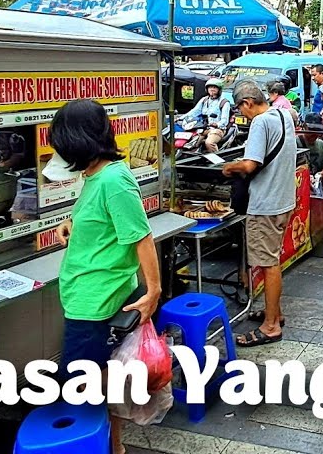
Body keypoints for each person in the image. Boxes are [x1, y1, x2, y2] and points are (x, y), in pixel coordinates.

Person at [51, 99, 160, 454]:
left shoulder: (113, 179)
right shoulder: (96, 174)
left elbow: (140, 236)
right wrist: (73, 222)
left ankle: (95, 446)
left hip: (95, 301)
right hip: (86, 294)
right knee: (97, 378)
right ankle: (114, 447)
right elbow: (104, 221)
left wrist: (154, 291)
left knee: (81, 387)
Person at [222, 81, 296, 347]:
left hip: (266, 204)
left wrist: (229, 167)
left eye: (241, 110)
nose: (243, 115)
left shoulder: (260, 123)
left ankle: (271, 326)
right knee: (272, 259)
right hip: (284, 199)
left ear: (248, 103)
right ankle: (274, 312)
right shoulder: (283, 114)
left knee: (267, 263)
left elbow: (250, 165)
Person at [180, 77, 232, 152]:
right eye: (210, 87)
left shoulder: (224, 102)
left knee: (209, 143)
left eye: (214, 87)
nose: (212, 89)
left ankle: (217, 161)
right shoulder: (204, 100)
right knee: (191, 141)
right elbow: (195, 111)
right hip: (203, 127)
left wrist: (216, 124)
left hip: (218, 129)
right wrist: (181, 118)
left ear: (219, 90)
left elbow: (224, 120)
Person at [300, 112, 323, 195]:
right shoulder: (295, 143)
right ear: (304, 126)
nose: (314, 135)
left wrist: (320, 174)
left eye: (317, 132)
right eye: (311, 131)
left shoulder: (321, 144)